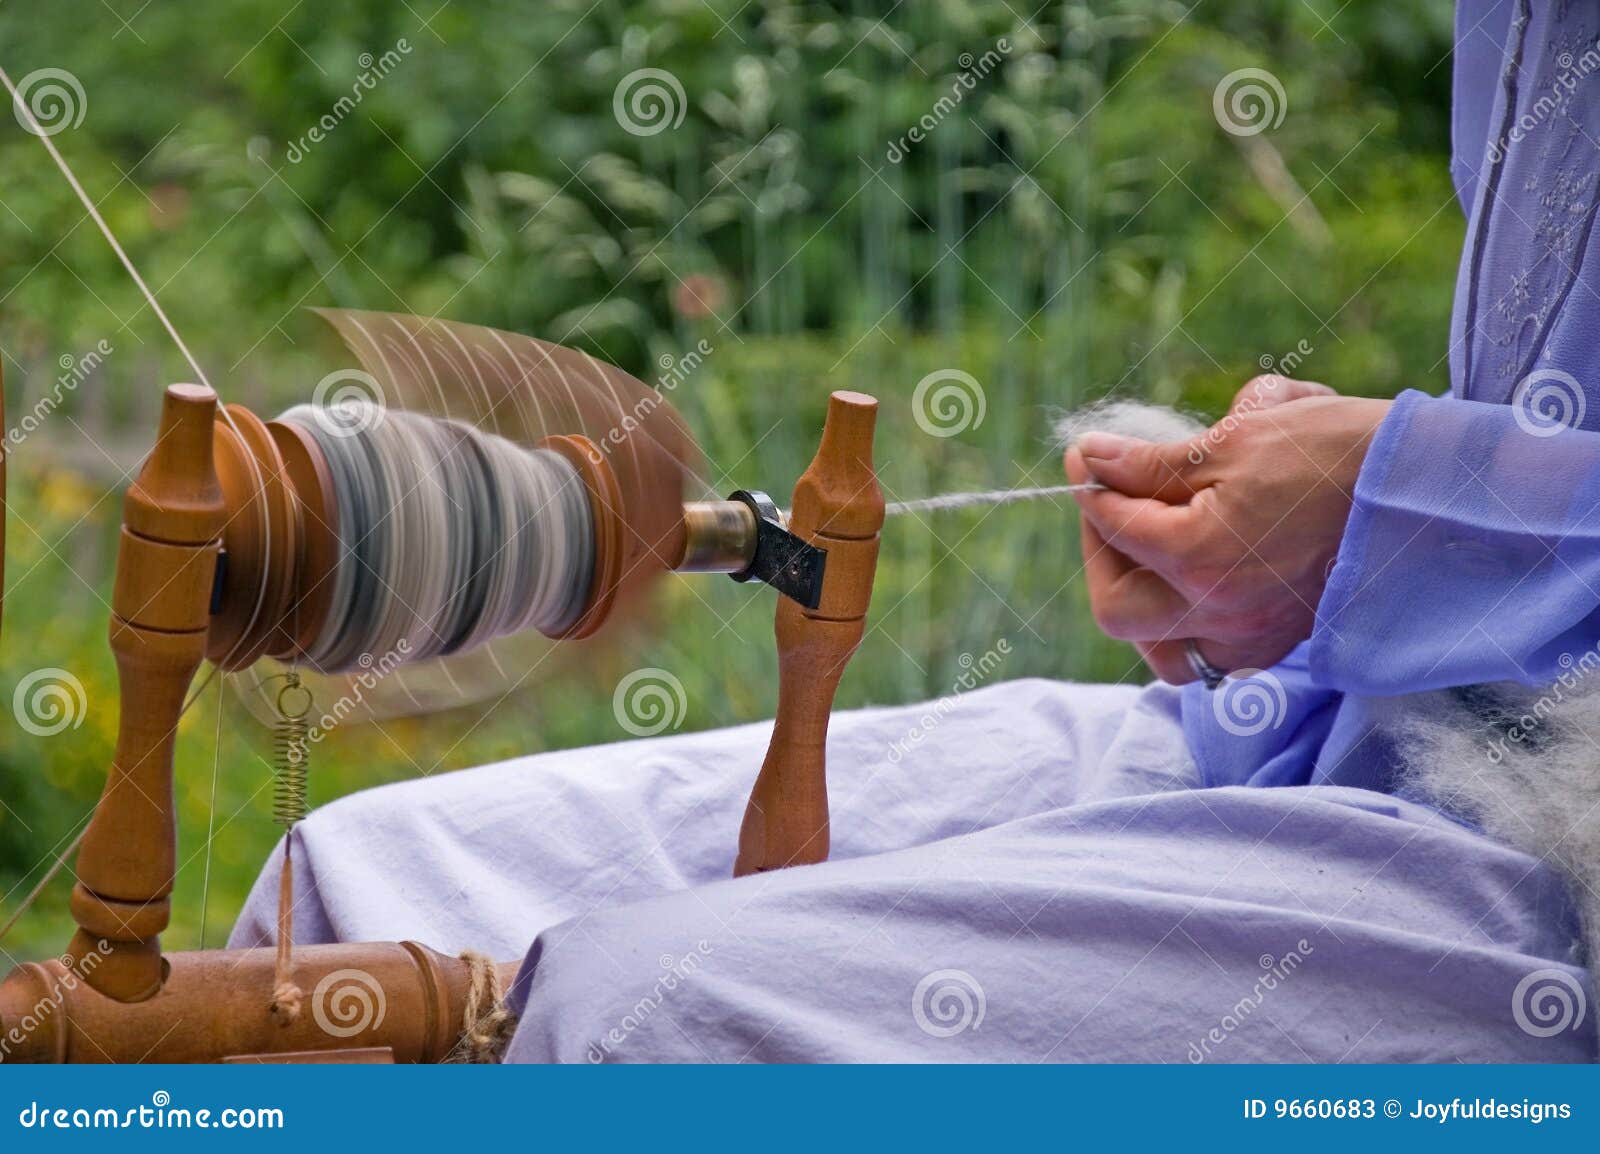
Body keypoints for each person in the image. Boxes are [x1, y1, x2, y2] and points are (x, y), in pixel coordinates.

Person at [234, 0, 1597, 1062]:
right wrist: (1342, 550)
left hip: (1559, 884)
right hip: (1370, 727)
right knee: (368, 882)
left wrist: (1430, 511)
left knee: (628, 1020)